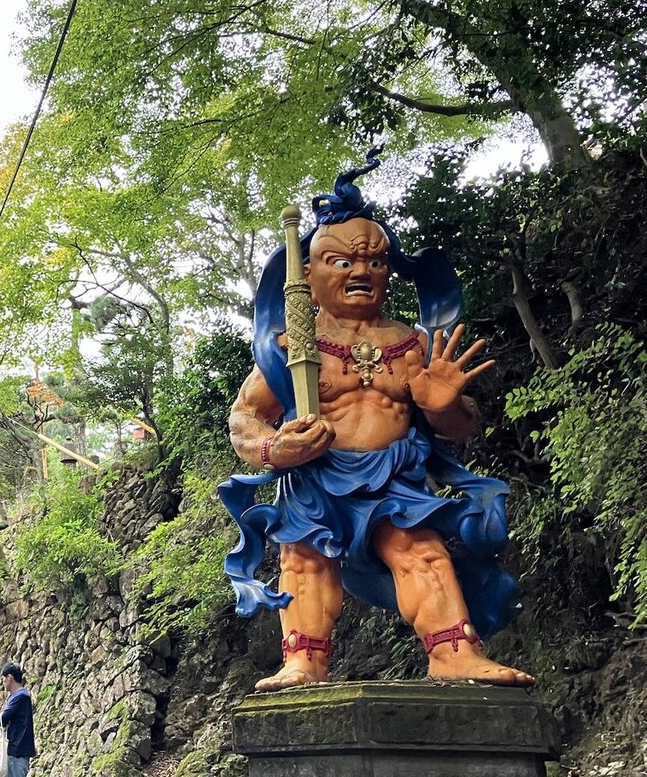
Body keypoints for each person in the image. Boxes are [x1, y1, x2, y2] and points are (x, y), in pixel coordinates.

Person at [220, 150, 531, 693]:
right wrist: (276, 448)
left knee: (423, 553)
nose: (361, 271)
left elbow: (463, 427)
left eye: (375, 261)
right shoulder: (293, 346)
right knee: (306, 562)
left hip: (395, 476)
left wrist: (442, 405)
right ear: (309, 273)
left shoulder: (412, 345)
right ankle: (303, 662)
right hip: (317, 477)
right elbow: (245, 417)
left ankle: (455, 652)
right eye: (341, 261)